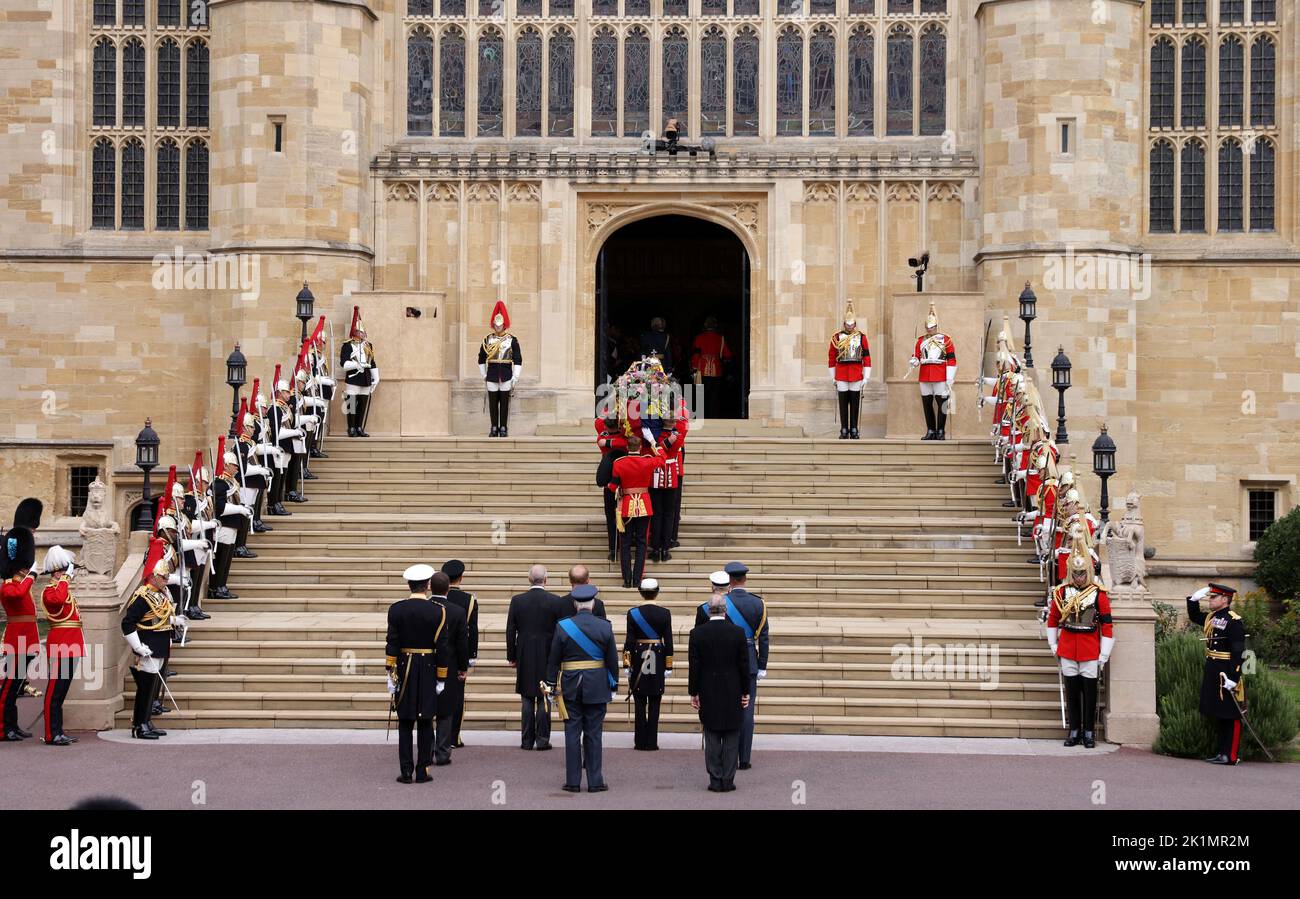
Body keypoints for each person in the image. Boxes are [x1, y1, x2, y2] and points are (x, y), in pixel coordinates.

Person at [543, 584, 619, 793]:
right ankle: (595, 781)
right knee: (594, 734)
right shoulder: (605, 626)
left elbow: (553, 660)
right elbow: (612, 659)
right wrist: (614, 684)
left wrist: (550, 685)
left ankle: (573, 781)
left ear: (575, 604)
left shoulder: (563, 626)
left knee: (572, 734)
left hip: (570, 685)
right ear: (593, 604)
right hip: (597, 685)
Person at [696, 561, 769, 769]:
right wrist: (762, 664)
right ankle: (743, 758)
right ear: (745, 579)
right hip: (749, 659)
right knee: (746, 709)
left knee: (720, 704)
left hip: (720, 660)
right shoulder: (758, 604)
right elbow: (763, 638)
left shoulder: (714, 603)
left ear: (728, 580)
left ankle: (721, 755)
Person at [1045, 540, 1113, 749]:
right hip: (1068, 646)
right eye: (1075, 573)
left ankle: (1089, 731)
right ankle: (1074, 730)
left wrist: (1104, 653)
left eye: (1082, 573)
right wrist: (1053, 644)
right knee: (1072, 692)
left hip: (1089, 648)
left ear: (1089, 572)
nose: (1079, 577)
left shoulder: (1098, 593)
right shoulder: (1062, 592)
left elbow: (1107, 625)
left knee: (1090, 693)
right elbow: (1054, 619)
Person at [385, 564, 450, 783]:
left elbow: (392, 643)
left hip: (404, 667)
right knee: (425, 722)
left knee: (405, 722)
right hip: (429, 668)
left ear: (409, 584)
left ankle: (405, 771)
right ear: (428, 585)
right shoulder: (438, 610)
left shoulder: (396, 609)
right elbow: (443, 647)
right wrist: (441, 677)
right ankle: (422, 770)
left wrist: (389, 672)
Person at [689, 593, 750, 792]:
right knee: (732, 735)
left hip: (708, 687)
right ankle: (728, 779)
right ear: (726, 610)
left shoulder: (697, 633)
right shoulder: (738, 632)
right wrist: (746, 691)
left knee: (712, 734)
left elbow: (694, 666)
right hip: (733, 687)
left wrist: (694, 691)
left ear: (708, 610)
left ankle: (715, 779)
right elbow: (743, 664)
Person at [1186, 583, 1247, 765]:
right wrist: (1193, 600)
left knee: (1231, 713)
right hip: (1213, 669)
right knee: (1220, 713)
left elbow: (1238, 652)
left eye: (1214, 597)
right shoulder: (1213, 617)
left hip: (1226, 672)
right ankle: (1222, 752)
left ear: (1225, 600)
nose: (1210, 600)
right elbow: (1195, 616)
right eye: (1210, 597)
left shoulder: (1233, 621)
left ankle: (1231, 755)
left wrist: (1234, 678)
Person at [121, 537, 176, 740]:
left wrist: (176, 621)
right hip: (148, 646)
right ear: (153, 577)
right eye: (163, 576)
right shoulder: (143, 596)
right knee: (144, 689)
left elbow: (163, 616)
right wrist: (137, 646)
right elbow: (127, 623)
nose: (166, 580)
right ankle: (138, 725)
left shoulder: (164, 593)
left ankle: (147, 721)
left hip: (161, 644)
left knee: (152, 688)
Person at [505, 564, 562, 750]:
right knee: (545, 696)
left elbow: (510, 630)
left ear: (530, 579)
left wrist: (511, 655)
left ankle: (527, 740)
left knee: (527, 697)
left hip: (525, 652)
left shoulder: (517, 600)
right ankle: (543, 740)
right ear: (545, 580)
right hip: (547, 653)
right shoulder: (555, 601)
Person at [1, 498, 42, 742]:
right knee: (8, 686)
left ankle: (12, 726)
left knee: (16, 686)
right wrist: (32, 575)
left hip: (25, 639)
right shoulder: (9, 585)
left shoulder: (20, 581)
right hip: (17, 640)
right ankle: (2, 727)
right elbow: (17, 594)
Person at [607, 435, 668, 588]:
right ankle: (637, 579)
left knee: (625, 543)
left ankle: (627, 580)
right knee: (642, 542)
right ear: (640, 448)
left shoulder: (619, 463)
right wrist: (656, 445)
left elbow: (613, 487)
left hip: (626, 505)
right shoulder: (647, 460)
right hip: (644, 505)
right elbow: (663, 458)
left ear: (627, 448)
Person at [39, 546, 82, 745]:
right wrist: (65, 579)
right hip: (60, 645)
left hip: (71, 644)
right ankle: (50, 733)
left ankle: (58, 730)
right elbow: (57, 600)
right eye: (64, 571)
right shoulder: (50, 591)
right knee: (54, 691)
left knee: (62, 691)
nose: (68, 575)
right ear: (57, 572)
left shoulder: (62, 589)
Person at [624, 578, 673, 751]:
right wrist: (669, 666)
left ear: (641, 592)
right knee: (655, 701)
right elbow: (669, 641)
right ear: (657, 592)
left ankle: (640, 741)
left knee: (639, 701)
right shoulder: (665, 613)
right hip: (658, 656)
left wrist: (626, 664)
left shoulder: (633, 613)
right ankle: (652, 741)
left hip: (638, 656)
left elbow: (629, 641)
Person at [430, 572, 468, 767]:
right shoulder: (457, 611)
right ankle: (443, 752)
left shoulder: (423, 608)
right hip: (450, 666)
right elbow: (462, 643)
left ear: (430, 587)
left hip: (426, 665)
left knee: (426, 710)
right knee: (445, 711)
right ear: (447, 589)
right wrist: (463, 667)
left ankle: (426, 751)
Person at [208, 437, 252, 600]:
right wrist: (239, 508)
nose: (237, 467)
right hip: (223, 524)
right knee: (221, 558)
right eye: (234, 464)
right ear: (226, 465)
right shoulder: (220, 484)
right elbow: (219, 507)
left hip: (232, 524)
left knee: (227, 559)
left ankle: (222, 585)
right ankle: (216, 587)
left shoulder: (231, 482)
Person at [440, 559, 478, 749]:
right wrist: (470, 658)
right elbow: (472, 631)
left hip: (437, 655)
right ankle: (453, 736)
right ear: (461, 578)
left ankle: (439, 737)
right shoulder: (469, 600)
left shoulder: (435, 599)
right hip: (456, 656)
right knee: (457, 696)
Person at [908, 302, 957, 440]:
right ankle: (931, 430)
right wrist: (914, 361)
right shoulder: (920, 341)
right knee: (927, 403)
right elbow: (917, 356)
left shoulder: (945, 340)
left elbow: (952, 359)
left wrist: (949, 377)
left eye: (932, 327)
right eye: (928, 327)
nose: (930, 330)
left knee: (942, 403)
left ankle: (941, 430)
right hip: (925, 375)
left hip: (940, 374)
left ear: (937, 326)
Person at [827, 301, 871, 439]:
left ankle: (854, 428)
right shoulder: (836, 337)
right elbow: (831, 358)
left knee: (855, 402)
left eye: (852, 324)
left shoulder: (861, 337)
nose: (850, 327)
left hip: (856, 373)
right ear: (844, 324)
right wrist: (833, 376)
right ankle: (844, 428)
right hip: (841, 373)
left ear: (855, 324)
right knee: (843, 403)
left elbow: (867, 357)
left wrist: (866, 377)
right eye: (848, 324)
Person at [479, 300, 522, 437]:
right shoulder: (487, 340)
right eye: (496, 325)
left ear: (504, 325)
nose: (498, 327)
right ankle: (494, 427)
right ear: (493, 325)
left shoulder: (512, 339)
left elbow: (517, 359)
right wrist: (484, 374)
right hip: (491, 373)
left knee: (504, 402)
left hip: (506, 373)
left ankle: (503, 427)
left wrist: (515, 376)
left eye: (500, 324)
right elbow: (481, 358)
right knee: (492, 403)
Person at [341, 305, 379, 438]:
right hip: (353, 378)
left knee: (362, 404)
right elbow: (344, 364)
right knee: (351, 404)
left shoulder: (368, 345)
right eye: (360, 331)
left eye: (363, 331)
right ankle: (350, 428)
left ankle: (359, 427)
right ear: (355, 332)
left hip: (366, 378)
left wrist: (376, 377)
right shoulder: (347, 345)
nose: (363, 333)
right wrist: (357, 364)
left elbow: (372, 362)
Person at [595, 413, 628, 562]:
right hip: (622, 479)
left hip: (611, 480)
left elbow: (599, 422)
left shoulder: (603, 437)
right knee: (620, 516)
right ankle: (620, 545)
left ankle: (613, 548)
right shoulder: (624, 437)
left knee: (611, 516)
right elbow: (623, 444)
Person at [690, 317, 731, 420]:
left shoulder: (699, 338)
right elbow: (727, 355)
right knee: (714, 395)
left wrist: (694, 367)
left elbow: (696, 354)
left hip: (701, 369)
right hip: (716, 370)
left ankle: (701, 416)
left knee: (701, 394)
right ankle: (713, 416)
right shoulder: (720, 338)